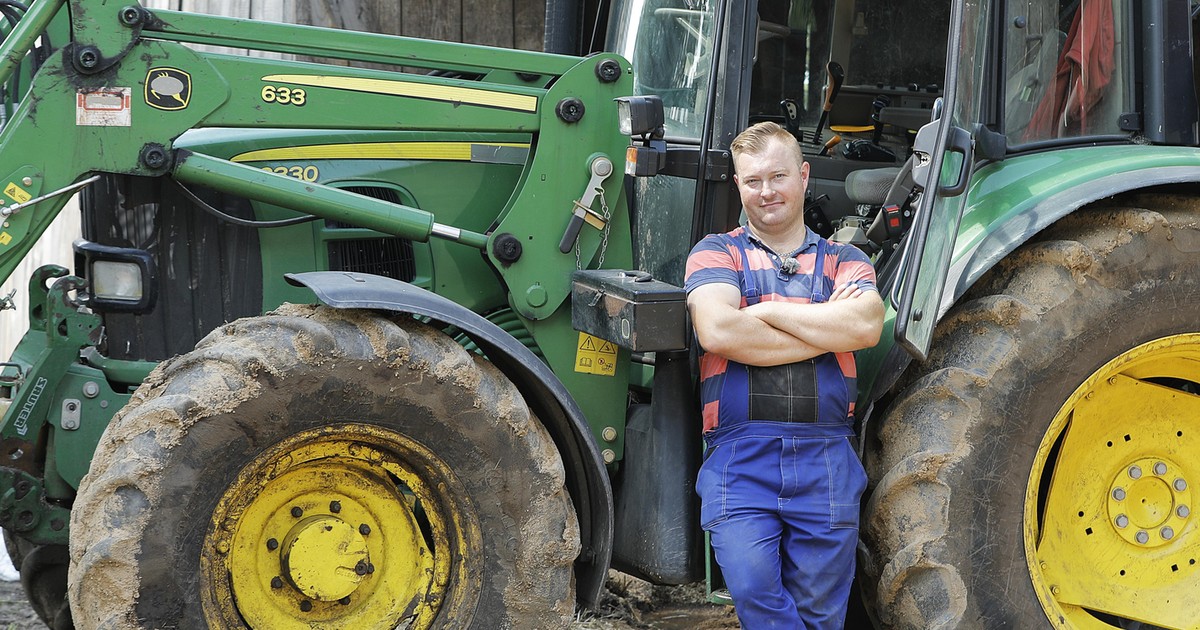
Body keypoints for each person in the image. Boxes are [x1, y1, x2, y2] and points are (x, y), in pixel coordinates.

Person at [684, 121, 883, 628]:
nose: (767, 191)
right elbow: (719, 332)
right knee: (752, 589)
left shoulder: (847, 258)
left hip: (826, 459)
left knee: (820, 612)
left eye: (778, 176)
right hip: (740, 456)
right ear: (738, 185)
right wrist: (824, 328)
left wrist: (765, 309)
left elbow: (864, 324)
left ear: (804, 174)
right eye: (753, 181)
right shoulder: (715, 252)